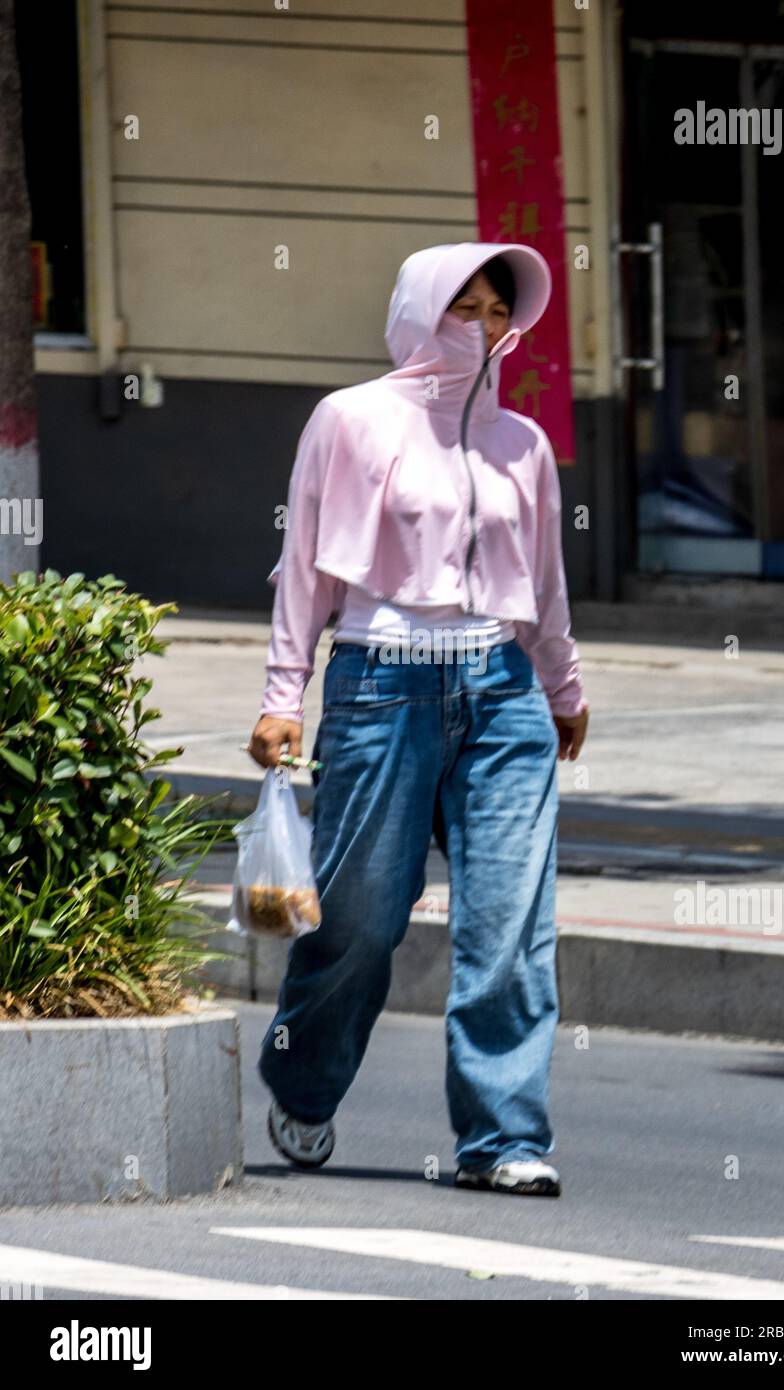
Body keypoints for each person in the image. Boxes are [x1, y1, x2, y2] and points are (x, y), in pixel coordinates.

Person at [248, 242, 589, 1198]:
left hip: (504, 694)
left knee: (511, 927)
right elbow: (306, 566)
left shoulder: (522, 442)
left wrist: (563, 686)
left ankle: (503, 1137)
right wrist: (284, 695)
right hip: (379, 688)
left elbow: (547, 582)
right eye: (460, 307)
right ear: (417, 312)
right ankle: (306, 1085)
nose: (479, 328)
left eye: (493, 311)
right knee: (359, 923)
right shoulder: (348, 420)